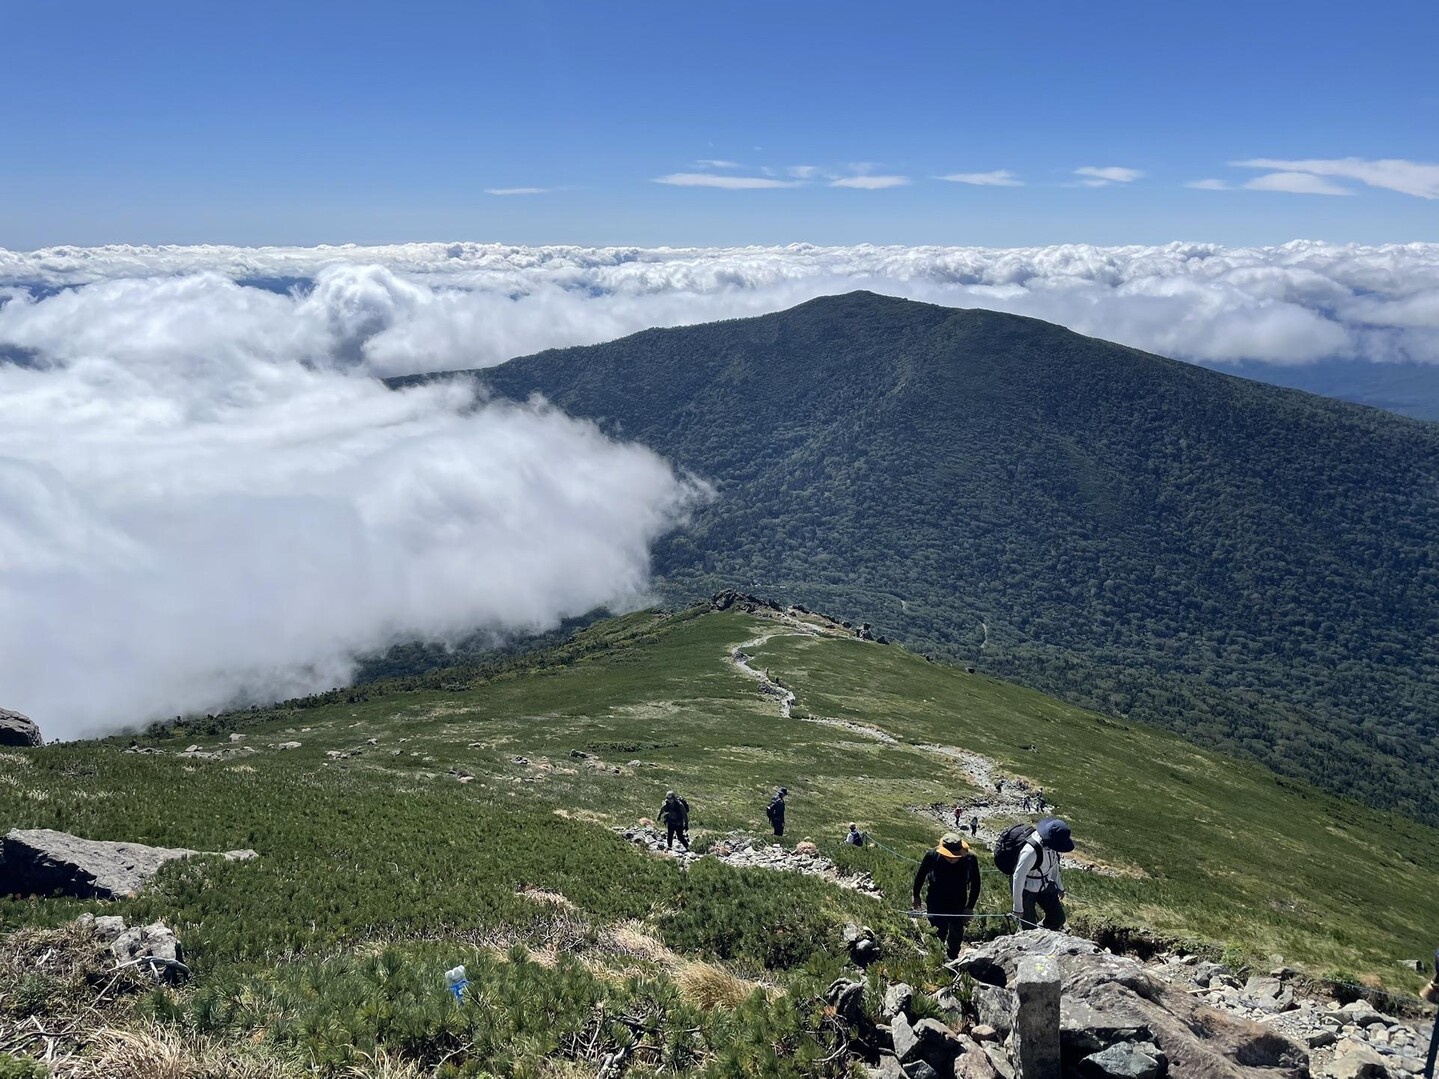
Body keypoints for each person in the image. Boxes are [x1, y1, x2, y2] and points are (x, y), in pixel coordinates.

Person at [913, 832, 981, 961]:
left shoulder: (970, 859)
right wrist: (916, 896)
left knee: (956, 931)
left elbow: (976, 884)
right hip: (935, 900)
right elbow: (920, 876)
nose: (951, 858)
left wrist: (969, 907)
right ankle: (936, 957)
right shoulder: (932, 855)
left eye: (955, 856)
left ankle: (953, 957)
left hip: (958, 902)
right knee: (937, 930)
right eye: (948, 856)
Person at [1011, 817, 1072, 931]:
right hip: (1026, 889)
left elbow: (1053, 867)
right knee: (1028, 927)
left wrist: (1060, 887)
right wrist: (1018, 907)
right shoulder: (1030, 851)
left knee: (1058, 918)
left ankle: (1043, 932)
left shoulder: (1051, 846)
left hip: (1045, 884)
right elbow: (1018, 877)